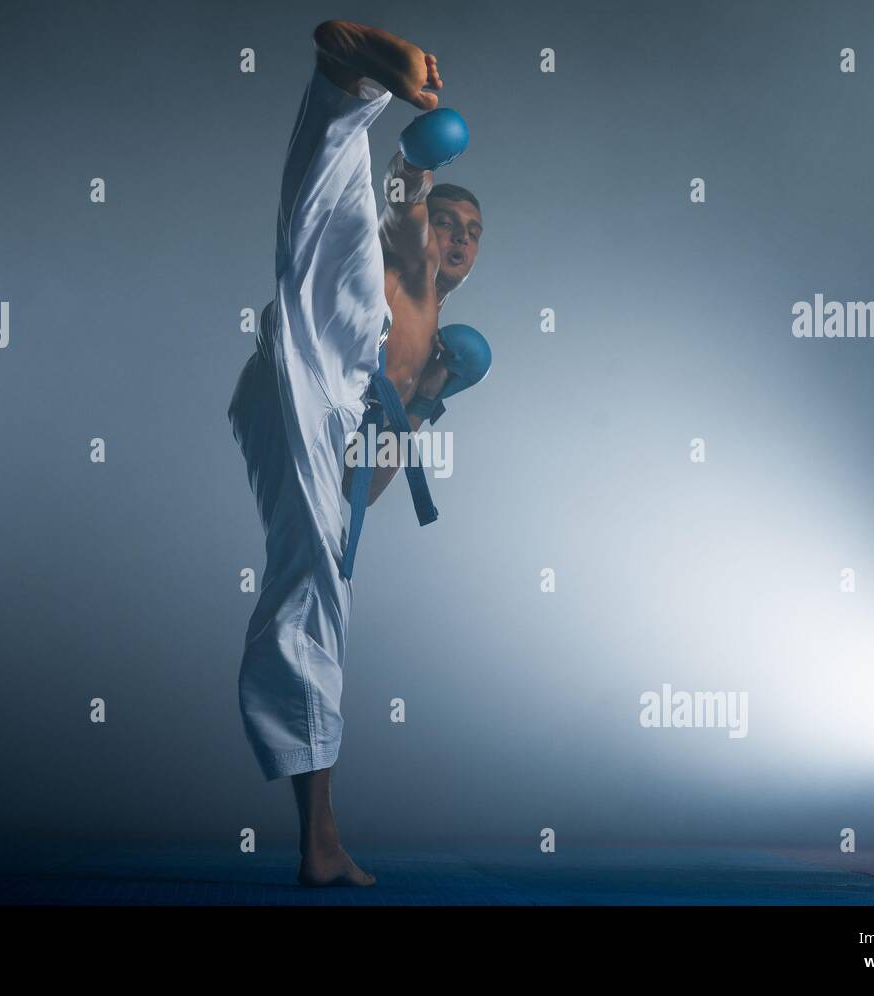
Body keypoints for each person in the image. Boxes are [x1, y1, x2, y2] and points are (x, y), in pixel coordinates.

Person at [228, 19, 484, 886]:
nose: (453, 235)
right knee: (336, 242)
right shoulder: (410, 255)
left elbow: (361, 493)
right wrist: (415, 167)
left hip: (316, 402)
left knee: (316, 589)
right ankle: (347, 81)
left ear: (479, 256)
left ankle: (320, 838)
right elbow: (404, 204)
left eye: (470, 232)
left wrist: (431, 402)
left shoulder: (437, 349)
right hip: (327, 348)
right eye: (449, 217)